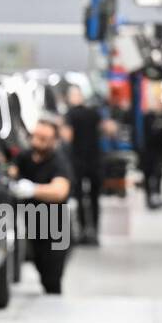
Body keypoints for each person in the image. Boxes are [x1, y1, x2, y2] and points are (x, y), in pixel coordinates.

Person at [11, 117, 73, 294]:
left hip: (55, 228)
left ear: (53, 141)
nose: (37, 142)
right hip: (34, 225)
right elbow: (11, 170)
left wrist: (33, 190)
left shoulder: (58, 161)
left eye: (43, 139)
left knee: (52, 277)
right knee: (40, 265)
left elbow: (60, 190)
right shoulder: (25, 157)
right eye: (35, 137)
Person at [63, 87, 104, 245]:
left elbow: (67, 137)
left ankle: (82, 231)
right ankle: (94, 231)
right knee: (94, 197)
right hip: (94, 159)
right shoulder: (94, 113)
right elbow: (104, 130)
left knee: (79, 196)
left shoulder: (70, 114)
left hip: (77, 160)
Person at [138, 97, 162, 210]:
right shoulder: (147, 117)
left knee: (158, 173)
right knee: (147, 174)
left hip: (159, 151)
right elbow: (145, 133)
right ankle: (148, 198)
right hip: (147, 151)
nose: (159, 106)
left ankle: (157, 195)